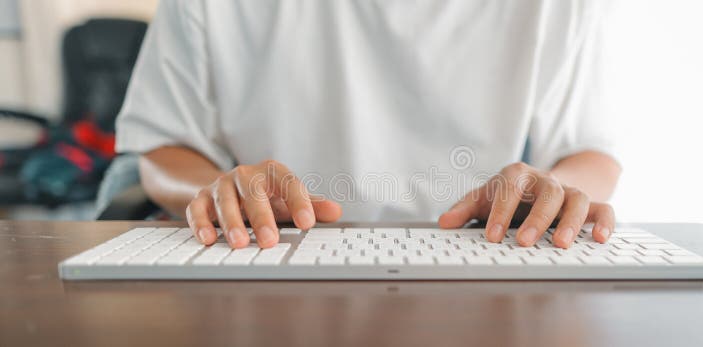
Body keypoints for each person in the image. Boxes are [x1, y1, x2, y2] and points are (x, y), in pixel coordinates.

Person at [116, 0, 621, 250]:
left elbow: (590, 152)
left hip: (483, 255)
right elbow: (162, 145)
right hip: (273, 257)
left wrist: (553, 194)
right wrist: (217, 193)